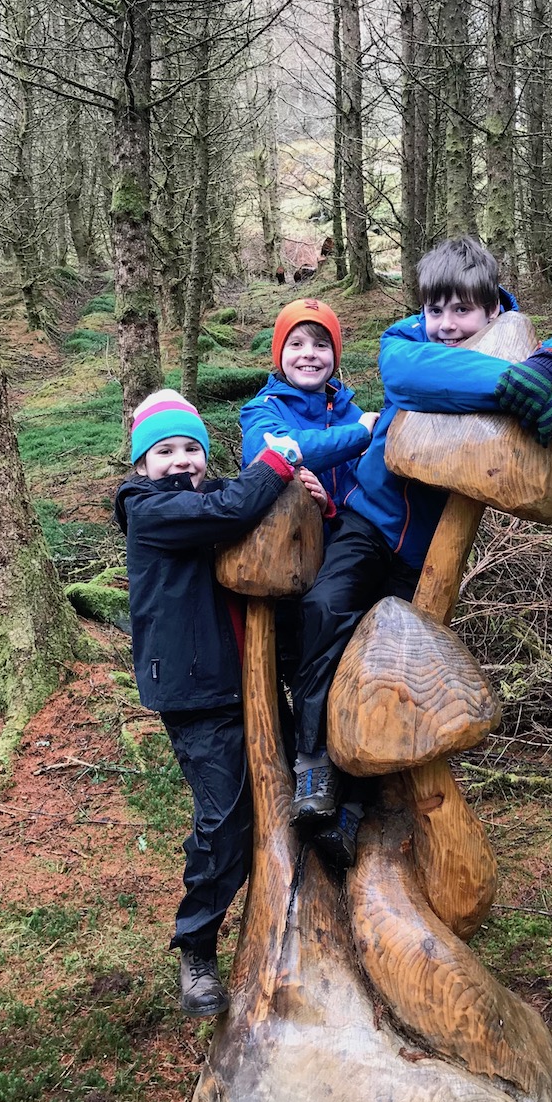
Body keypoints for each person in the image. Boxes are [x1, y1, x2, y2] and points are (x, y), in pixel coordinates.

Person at [287, 236, 552, 858]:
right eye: (437, 310)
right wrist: (514, 380)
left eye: (462, 312)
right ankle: (314, 760)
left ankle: (351, 809)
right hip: (368, 522)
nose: (447, 326)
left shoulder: (517, 338)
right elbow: (414, 376)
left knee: (394, 677)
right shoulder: (406, 344)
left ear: (490, 309)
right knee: (323, 614)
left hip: (426, 556)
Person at [114, 388, 324, 1018]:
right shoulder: (151, 511)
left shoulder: (212, 499)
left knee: (289, 801)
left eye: (191, 449)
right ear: (141, 464)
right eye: (164, 451)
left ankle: (287, 925)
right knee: (225, 821)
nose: (181, 461)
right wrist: (278, 465)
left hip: (254, 686)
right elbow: (237, 507)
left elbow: (259, 519)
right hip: (199, 695)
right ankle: (197, 946)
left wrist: (311, 498)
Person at [240, 297, 379, 510]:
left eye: (321, 345)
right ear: (280, 352)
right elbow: (273, 454)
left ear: (335, 355)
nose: (309, 354)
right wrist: (358, 434)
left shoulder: (352, 414)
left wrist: (329, 508)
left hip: (348, 537)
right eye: (296, 344)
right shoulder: (261, 409)